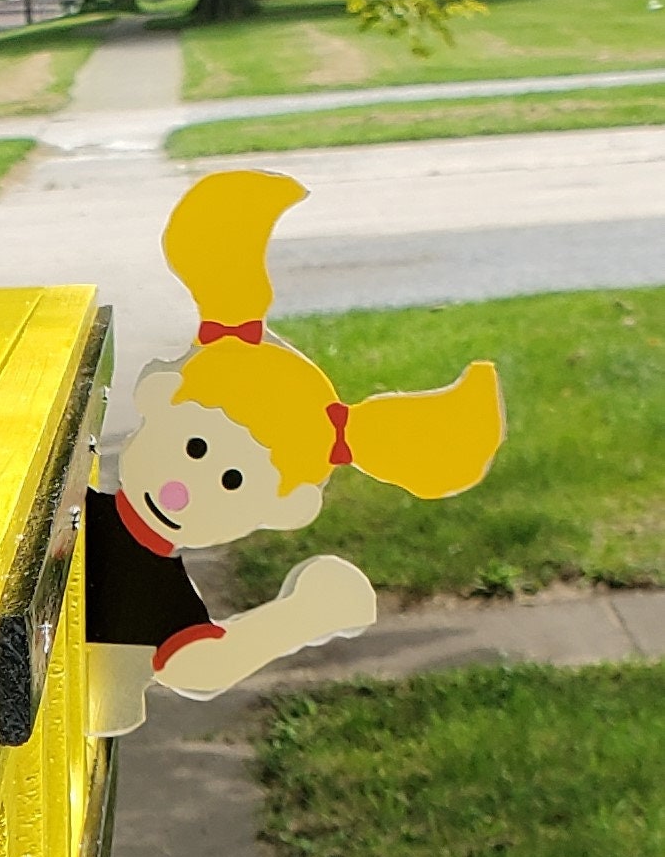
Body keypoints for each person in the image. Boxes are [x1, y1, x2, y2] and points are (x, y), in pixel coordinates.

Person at [88, 169, 506, 734]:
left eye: (232, 480)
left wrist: (297, 619)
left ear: (285, 508)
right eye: (194, 446)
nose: (182, 487)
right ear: (158, 398)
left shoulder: (155, 590)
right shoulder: (76, 502)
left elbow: (197, 663)